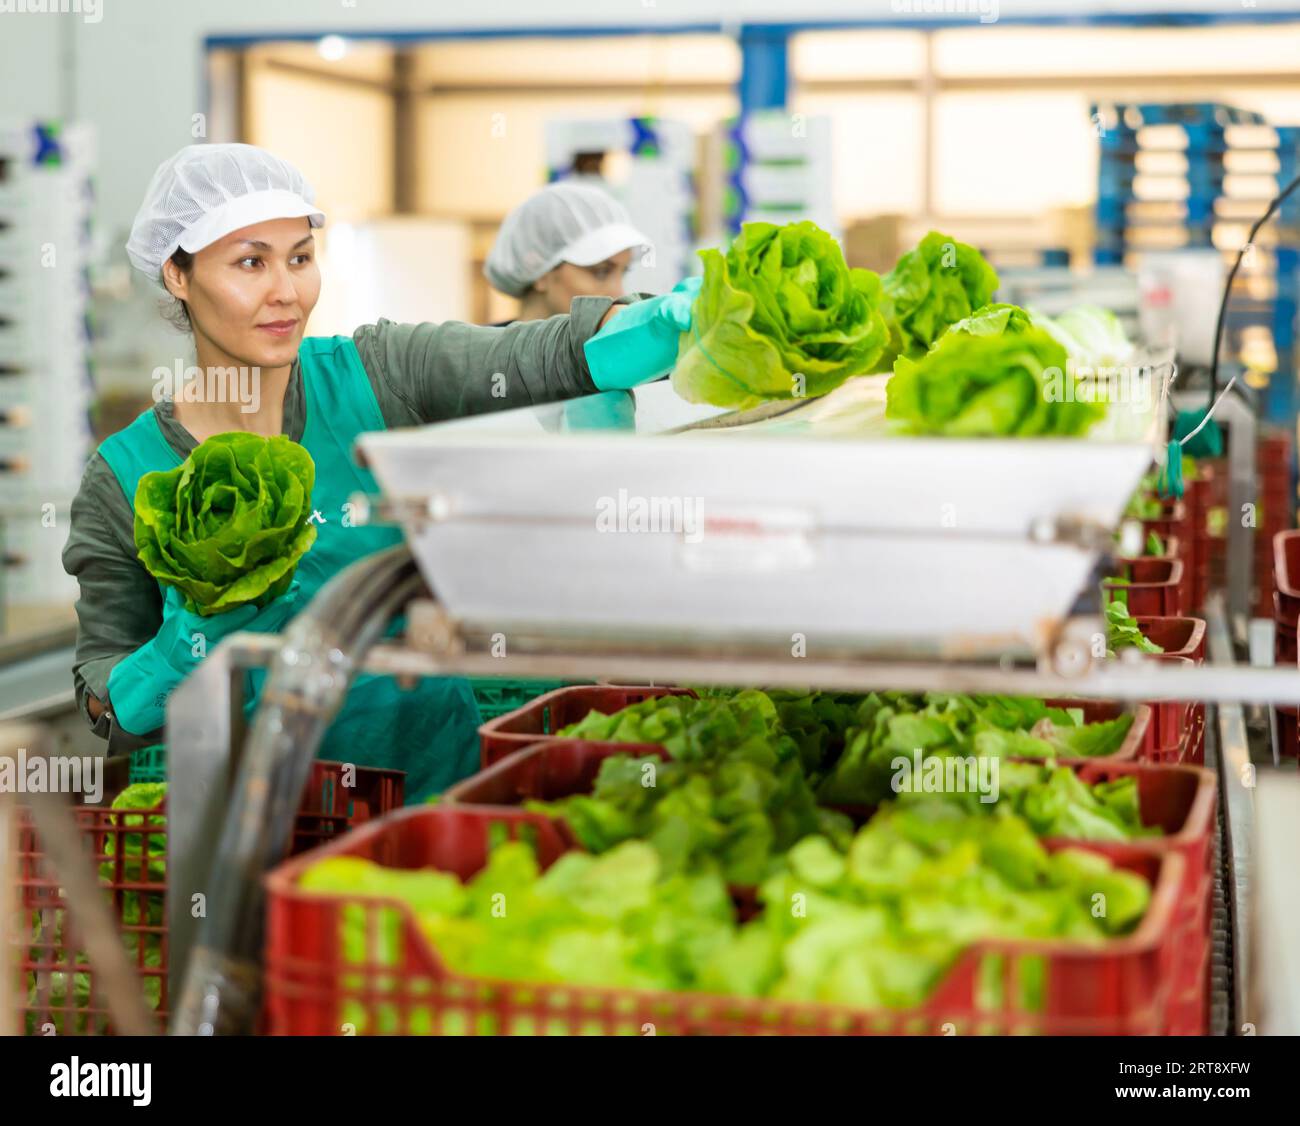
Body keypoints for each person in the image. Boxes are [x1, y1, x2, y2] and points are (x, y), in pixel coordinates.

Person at [62, 143, 695, 802]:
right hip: (249, 833)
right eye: (251, 262)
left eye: (300, 258)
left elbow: (534, 354)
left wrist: (658, 328)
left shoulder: (376, 373)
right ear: (177, 275)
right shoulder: (124, 475)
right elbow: (107, 705)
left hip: (433, 800)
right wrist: (184, 643)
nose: (286, 291)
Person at [484, 180, 651, 324]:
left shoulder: (608, 358)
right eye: (601, 272)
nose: (619, 294)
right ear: (541, 271)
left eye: (623, 273)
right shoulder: (481, 359)